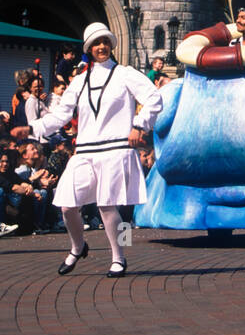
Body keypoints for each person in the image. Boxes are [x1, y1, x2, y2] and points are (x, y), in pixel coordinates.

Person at [12, 23, 161, 277]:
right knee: (67, 205)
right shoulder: (79, 81)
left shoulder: (125, 73)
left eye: (105, 41)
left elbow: (154, 98)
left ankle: (118, 257)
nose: (101, 47)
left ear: (111, 45)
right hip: (85, 151)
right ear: (89, 49)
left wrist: (139, 125)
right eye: (96, 43)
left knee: (107, 205)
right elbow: (60, 115)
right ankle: (78, 246)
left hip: (115, 149)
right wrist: (31, 129)